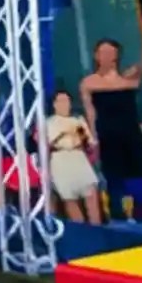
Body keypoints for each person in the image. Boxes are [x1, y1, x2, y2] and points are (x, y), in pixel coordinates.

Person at [80, 38, 142, 225]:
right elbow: (90, 112)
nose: (107, 56)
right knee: (114, 179)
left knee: (140, 176)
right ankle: (119, 219)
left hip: (132, 134)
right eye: (103, 52)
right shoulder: (89, 82)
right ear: (96, 56)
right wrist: (93, 139)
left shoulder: (128, 77)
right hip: (108, 137)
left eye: (111, 52)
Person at [46, 91, 102, 225]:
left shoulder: (78, 121)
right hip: (60, 160)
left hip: (79, 158)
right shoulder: (48, 122)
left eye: (67, 101)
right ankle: (80, 228)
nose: (64, 105)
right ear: (54, 105)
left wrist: (83, 138)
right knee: (69, 198)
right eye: (61, 102)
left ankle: (97, 229)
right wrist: (64, 134)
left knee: (91, 194)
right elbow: (48, 144)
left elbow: (89, 142)